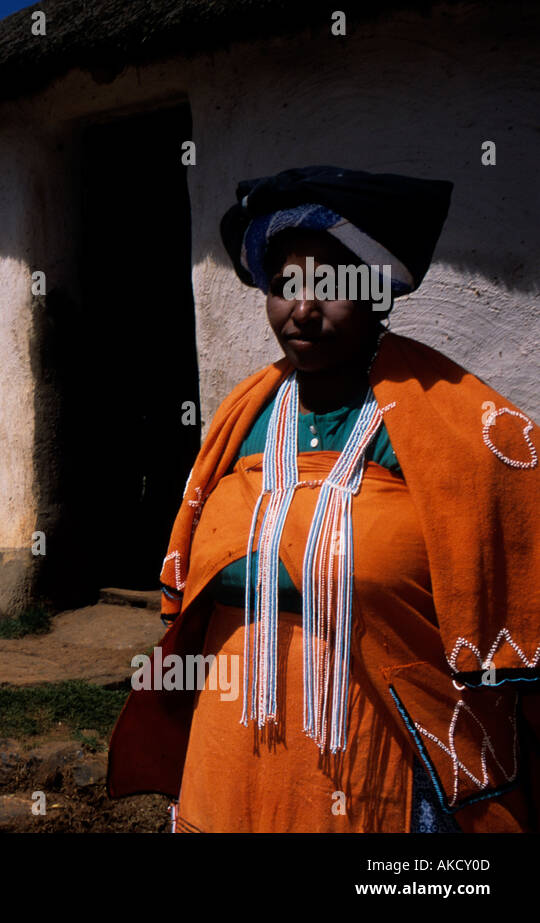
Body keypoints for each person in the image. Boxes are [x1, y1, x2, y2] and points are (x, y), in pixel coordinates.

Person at [107, 165, 540, 832]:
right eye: (284, 287)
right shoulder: (241, 420)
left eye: (332, 287)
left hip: (391, 761)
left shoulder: (452, 422)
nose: (303, 308)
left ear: (378, 294)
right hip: (236, 749)